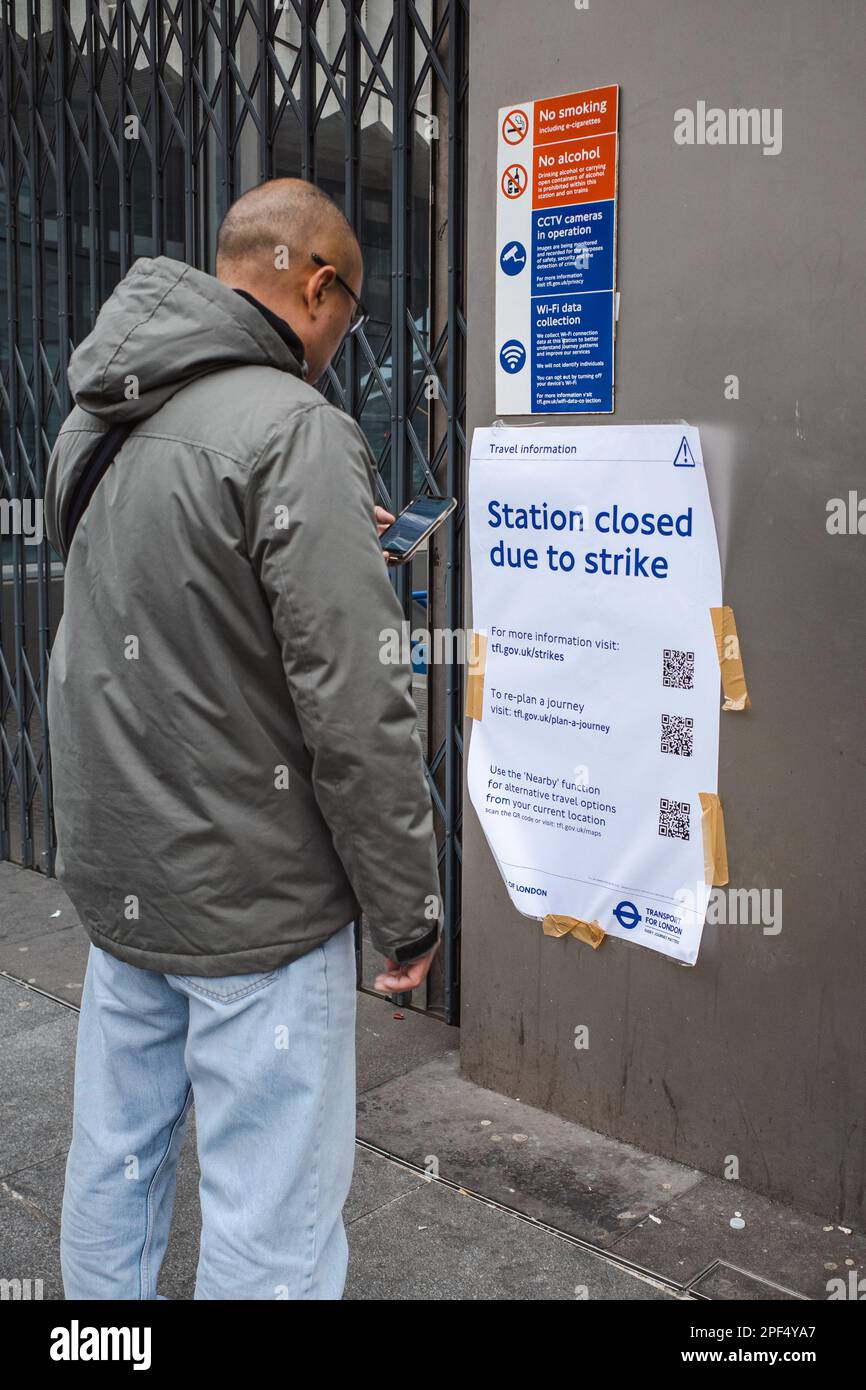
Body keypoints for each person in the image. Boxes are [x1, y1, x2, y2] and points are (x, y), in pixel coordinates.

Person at [44, 177, 442, 1301]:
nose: (338, 341)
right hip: (257, 896)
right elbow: (355, 707)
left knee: (114, 1159)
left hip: (123, 874)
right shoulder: (295, 430)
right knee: (271, 1213)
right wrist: (406, 906)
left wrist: (321, 522)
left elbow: (163, 600)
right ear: (316, 285)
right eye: (347, 312)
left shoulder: (103, 410)